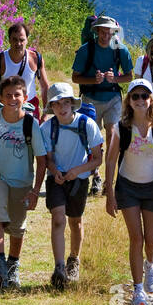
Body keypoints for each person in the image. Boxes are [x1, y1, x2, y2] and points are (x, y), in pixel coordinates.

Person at [104, 78, 153, 305]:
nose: (140, 100)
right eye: (135, 96)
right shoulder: (121, 128)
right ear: (129, 100)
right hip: (128, 188)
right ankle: (137, 290)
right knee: (136, 238)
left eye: (144, 96)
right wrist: (110, 194)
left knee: (152, 241)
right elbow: (111, 160)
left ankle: (151, 264)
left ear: (151, 99)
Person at [0, 76, 47, 289]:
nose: (13, 99)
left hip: (22, 182)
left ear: (25, 97)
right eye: (8, 95)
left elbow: (41, 161)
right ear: (0, 98)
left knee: (17, 227)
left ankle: (13, 263)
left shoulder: (31, 124)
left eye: (17, 95)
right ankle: (0, 263)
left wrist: (35, 191)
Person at [41, 82, 103, 290]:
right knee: (58, 219)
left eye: (65, 102)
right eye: (57, 104)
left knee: (75, 221)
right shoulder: (47, 128)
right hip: (56, 180)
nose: (62, 107)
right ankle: (59, 268)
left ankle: (73, 260)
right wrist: (54, 170)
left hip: (79, 179)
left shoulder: (87, 124)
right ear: (52, 106)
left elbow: (97, 159)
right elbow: (47, 158)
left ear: (72, 103)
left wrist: (77, 170)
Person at [72, 15, 133, 189]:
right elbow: (75, 77)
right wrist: (93, 80)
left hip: (112, 97)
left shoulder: (121, 50)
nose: (106, 36)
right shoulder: (86, 50)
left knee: (112, 134)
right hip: (90, 98)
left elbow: (129, 76)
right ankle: (95, 176)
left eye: (109, 32)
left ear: (114, 32)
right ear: (97, 31)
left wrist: (115, 79)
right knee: (92, 138)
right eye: (102, 32)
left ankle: (108, 179)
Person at [0, 20, 49, 118]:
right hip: (6, 107)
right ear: (9, 40)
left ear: (27, 40)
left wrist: (45, 115)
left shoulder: (36, 59)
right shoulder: (0, 60)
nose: (18, 43)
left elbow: (45, 87)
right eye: (14, 39)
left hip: (30, 107)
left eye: (21, 40)